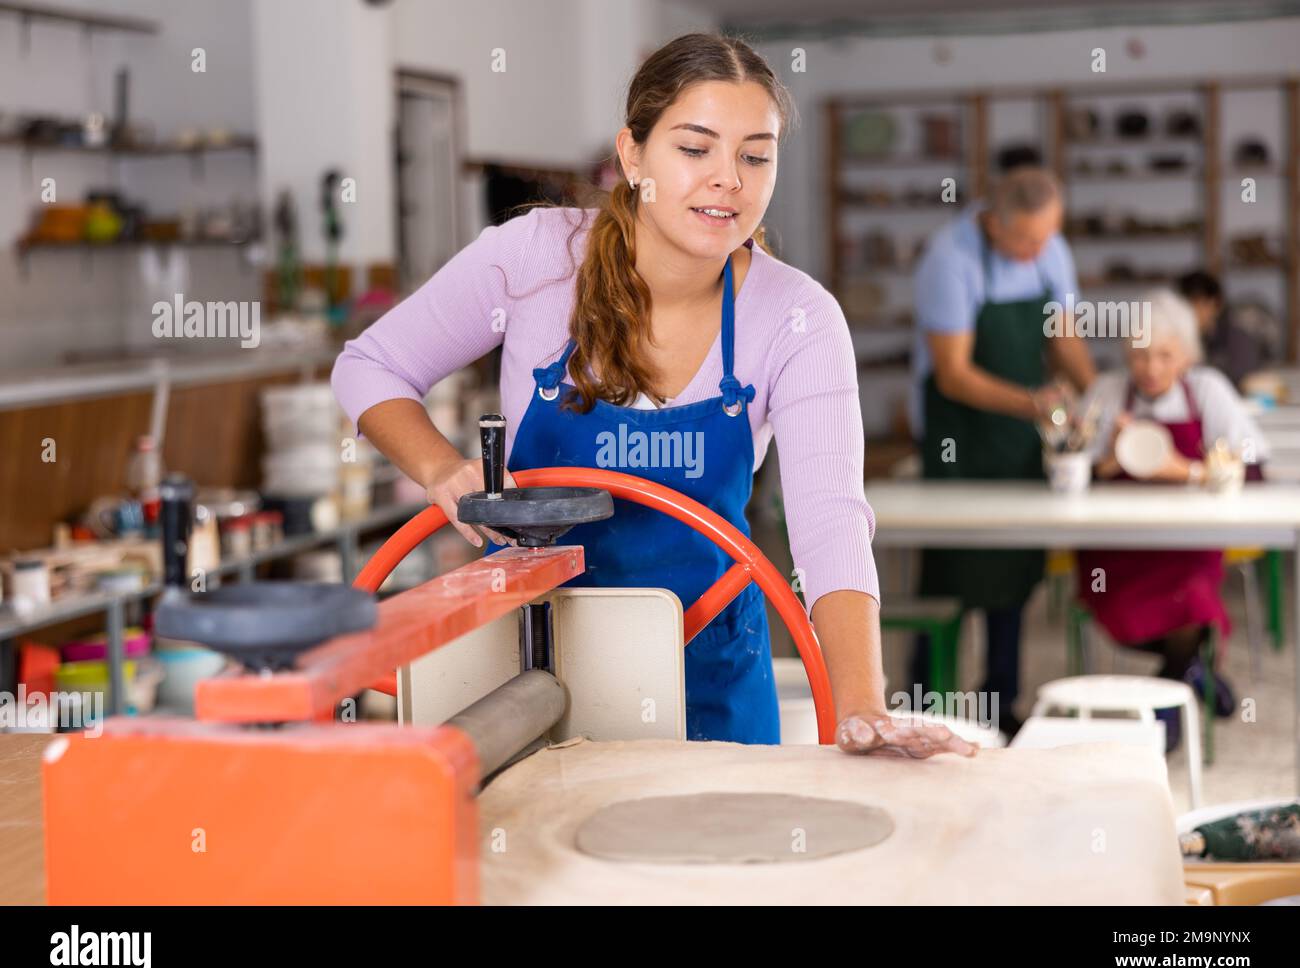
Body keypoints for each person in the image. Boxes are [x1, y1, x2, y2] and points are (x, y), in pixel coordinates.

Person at [332, 33, 976, 760]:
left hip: (709, 681)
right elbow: (369, 367)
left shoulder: (797, 316)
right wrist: (447, 473)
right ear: (633, 155)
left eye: (754, 155)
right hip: (530, 683)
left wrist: (860, 704)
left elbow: (829, 522)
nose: (727, 179)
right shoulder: (533, 261)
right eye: (695, 149)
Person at [908, 167, 1096, 739]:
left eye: (1047, 238)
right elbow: (954, 373)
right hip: (957, 437)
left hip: (1017, 437)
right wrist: (1034, 403)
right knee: (950, 571)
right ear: (995, 222)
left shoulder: (1050, 249)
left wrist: (1099, 398)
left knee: (1014, 570)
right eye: (1029, 241)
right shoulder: (951, 259)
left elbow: (1061, 336)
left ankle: (1001, 705)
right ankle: (924, 704)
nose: (1040, 250)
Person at [1075, 288, 1269, 750]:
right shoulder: (1107, 392)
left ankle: (1161, 723)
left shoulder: (1207, 389)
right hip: (1115, 554)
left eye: (1165, 355)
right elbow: (1066, 472)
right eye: (1140, 355)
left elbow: (1254, 468)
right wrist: (1105, 462)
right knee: (1129, 611)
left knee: (1192, 603)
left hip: (1188, 549)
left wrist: (1186, 470)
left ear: (1186, 355)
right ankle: (1196, 675)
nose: (1151, 368)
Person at [1176, 270, 1272, 389]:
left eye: (1198, 304)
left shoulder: (1238, 340)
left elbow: (1245, 383)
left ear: (1216, 304)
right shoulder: (1176, 339)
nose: (1191, 312)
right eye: (1185, 306)